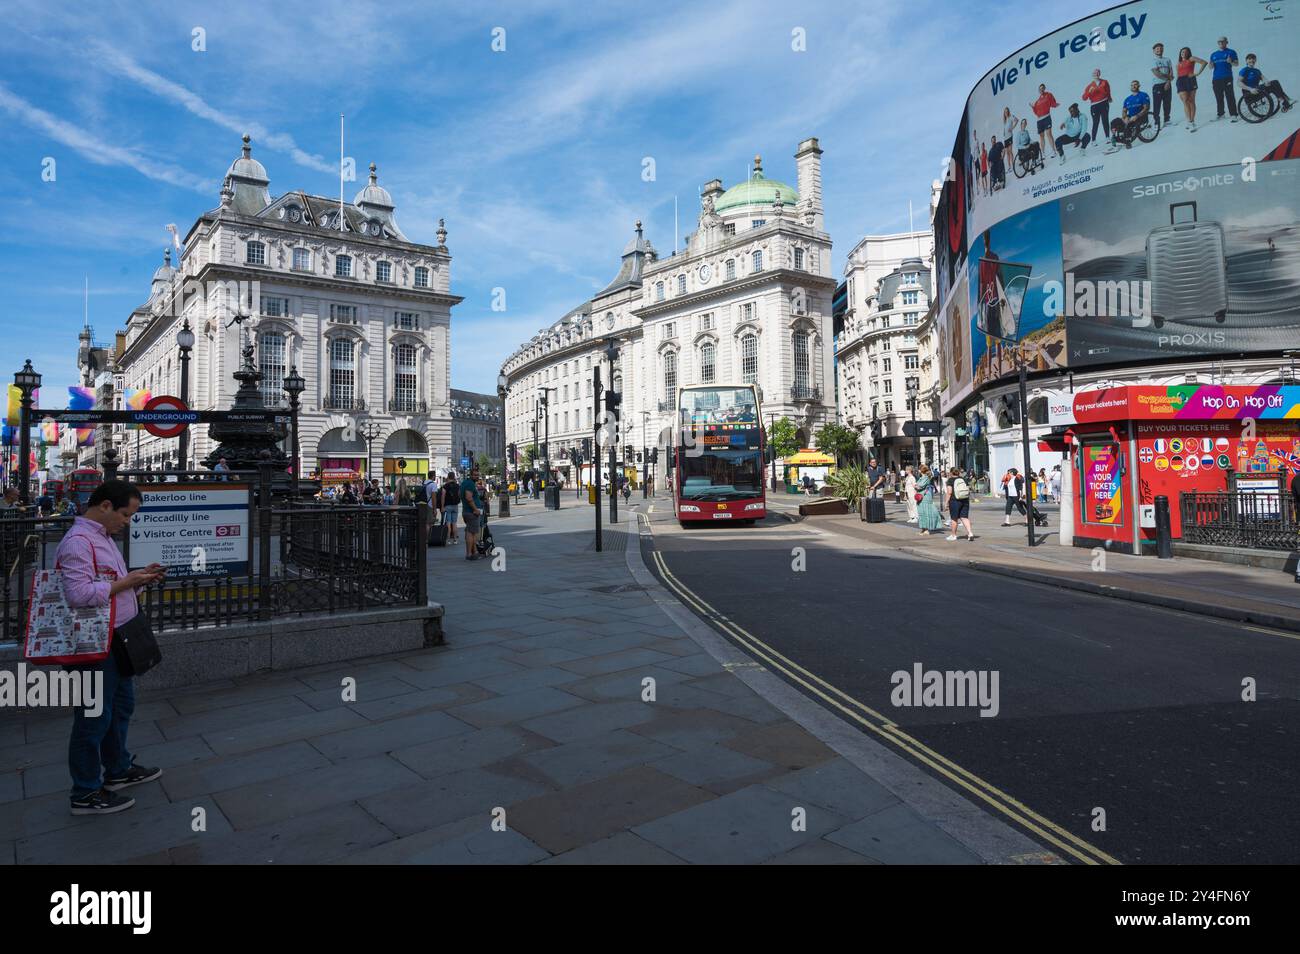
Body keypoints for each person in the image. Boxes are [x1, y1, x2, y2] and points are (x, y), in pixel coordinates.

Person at [58, 480, 165, 815]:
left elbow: (107, 585)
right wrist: (128, 582)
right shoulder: (78, 542)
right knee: (93, 718)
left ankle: (118, 770)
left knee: (120, 708)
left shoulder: (101, 538)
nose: (127, 522)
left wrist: (138, 579)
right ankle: (85, 793)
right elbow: (78, 595)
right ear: (104, 506)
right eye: (124, 514)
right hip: (94, 644)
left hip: (118, 637)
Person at [1109, 80, 1150, 150]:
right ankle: (1115, 137)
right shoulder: (1127, 99)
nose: (1133, 86)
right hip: (1130, 117)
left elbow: (1146, 108)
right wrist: (1124, 117)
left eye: (1135, 84)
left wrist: (1137, 116)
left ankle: (1127, 141)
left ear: (1139, 86)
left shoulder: (1143, 95)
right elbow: (1124, 110)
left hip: (1141, 117)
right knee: (1114, 122)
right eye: (1132, 85)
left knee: (1129, 124)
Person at [1176, 46, 1209, 131]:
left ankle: (1192, 121)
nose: (1184, 53)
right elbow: (1178, 74)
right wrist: (1177, 82)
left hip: (1190, 79)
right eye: (1182, 52)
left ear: (1188, 53)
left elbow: (1204, 62)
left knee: (1191, 100)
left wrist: (1197, 73)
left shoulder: (1191, 58)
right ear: (1180, 53)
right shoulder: (1178, 63)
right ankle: (1189, 120)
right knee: (1185, 101)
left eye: (1186, 52)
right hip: (1180, 81)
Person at [1210, 36, 1239, 123]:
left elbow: (1236, 64)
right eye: (1219, 42)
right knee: (1219, 97)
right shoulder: (1213, 54)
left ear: (1226, 42)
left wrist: (1231, 62)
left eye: (1223, 42)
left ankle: (1233, 114)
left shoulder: (1231, 52)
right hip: (1216, 79)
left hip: (1227, 77)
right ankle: (1221, 114)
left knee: (1230, 96)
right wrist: (1210, 65)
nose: (1221, 43)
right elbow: (1210, 66)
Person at [1082, 69, 1113, 147]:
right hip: (1095, 106)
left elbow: (1108, 91)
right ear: (1092, 75)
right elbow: (1084, 98)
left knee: (1105, 120)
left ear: (1099, 74)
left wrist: (1109, 98)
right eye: (1094, 73)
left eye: (1097, 73)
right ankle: (1093, 140)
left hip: (1104, 103)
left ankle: (1107, 137)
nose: (1096, 74)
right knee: (1096, 122)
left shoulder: (1104, 82)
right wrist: (1089, 92)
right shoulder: (1089, 86)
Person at [1030, 83, 1059, 158]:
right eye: (1040, 89)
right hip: (1039, 120)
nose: (1041, 89)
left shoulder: (1048, 95)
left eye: (1042, 88)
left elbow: (1053, 103)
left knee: (1049, 133)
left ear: (1044, 88)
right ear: (1038, 90)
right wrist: (1033, 107)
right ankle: (1043, 153)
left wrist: (1055, 105)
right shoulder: (1037, 101)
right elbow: (1036, 112)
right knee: (1041, 136)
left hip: (1046, 117)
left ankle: (1054, 151)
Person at [460, 465, 483, 561]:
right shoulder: (470, 484)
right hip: (472, 512)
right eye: (474, 475)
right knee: (473, 533)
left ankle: (472, 552)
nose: (476, 477)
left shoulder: (465, 482)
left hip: (466, 511)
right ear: (470, 475)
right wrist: (475, 509)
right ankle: (471, 553)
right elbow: (468, 497)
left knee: (469, 532)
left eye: (477, 475)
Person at [945, 467, 974, 541]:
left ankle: (953, 535)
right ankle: (970, 533)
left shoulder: (950, 480)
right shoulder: (963, 479)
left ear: (951, 473)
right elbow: (968, 489)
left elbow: (949, 492)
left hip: (955, 500)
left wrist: (946, 502)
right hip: (965, 499)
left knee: (954, 518)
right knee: (964, 517)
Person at [1151, 42, 1174, 128]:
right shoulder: (1153, 61)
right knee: (1157, 105)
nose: (1159, 50)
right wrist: (1168, 78)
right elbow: (1156, 73)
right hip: (1157, 85)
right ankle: (1156, 123)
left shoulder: (1167, 60)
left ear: (1163, 50)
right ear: (1154, 51)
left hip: (1167, 84)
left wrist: (1168, 82)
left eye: (1160, 48)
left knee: (1167, 103)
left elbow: (1171, 71)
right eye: (1157, 49)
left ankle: (1167, 120)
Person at [915, 465, 943, 535]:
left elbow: (918, 486)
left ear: (921, 470)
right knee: (921, 513)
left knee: (925, 512)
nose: (918, 471)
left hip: (925, 497)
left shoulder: (926, 478)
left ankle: (926, 530)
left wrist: (915, 486)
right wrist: (916, 486)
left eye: (919, 469)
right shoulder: (922, 478)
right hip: (920, 497)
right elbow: (917, 486)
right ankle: (923, 529)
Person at [440, 471, 460, 543]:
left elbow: (443, 496)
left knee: (448, 523)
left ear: (448, 477)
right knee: (454, 523)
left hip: (447, 506)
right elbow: (459, 495)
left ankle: (448, 539)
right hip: (455, 506)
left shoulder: (445, 486)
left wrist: (442, 506)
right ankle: (455, 539)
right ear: (454, 477)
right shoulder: (457, 486)